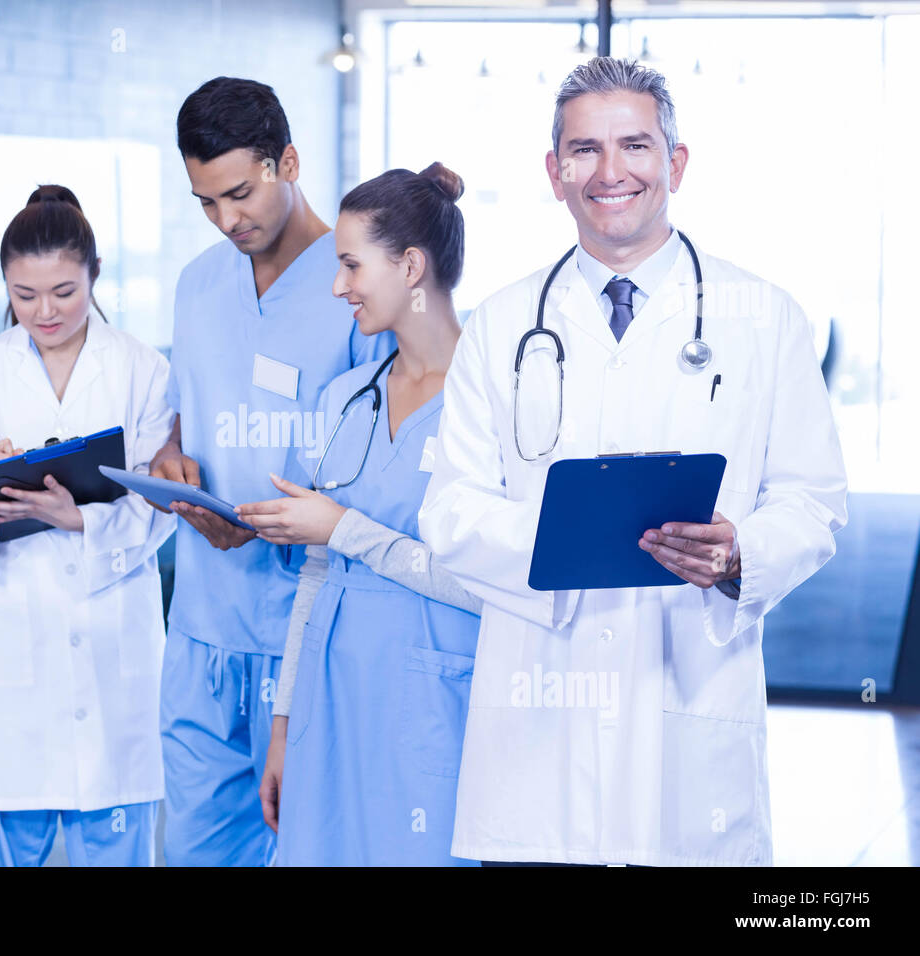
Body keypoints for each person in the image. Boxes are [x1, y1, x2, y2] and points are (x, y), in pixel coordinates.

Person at [418, 57, 848, 866]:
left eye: (636, 146)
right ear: (554, 173)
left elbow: (813, 499)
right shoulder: (501, 323)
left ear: (675, 163)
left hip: (692, 726)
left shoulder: (763, 318)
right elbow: (449, 510)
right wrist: (571, 541)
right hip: (537, 744)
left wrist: (737, 554)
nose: (609, 173)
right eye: (583, 151)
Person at [149, 77, 396, 866]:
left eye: (241, 193)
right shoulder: (196, 285)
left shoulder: (358, 286)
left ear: (288, 161)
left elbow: (384, 473)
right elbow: (190, 408)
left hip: (308, 638)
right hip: (201, 634)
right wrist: (169, 458)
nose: (228, 220)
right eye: (206, 202)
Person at [242, 163, 482, 866]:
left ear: (411, 265)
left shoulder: (490, 403)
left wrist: (343, 529)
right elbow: (313, 579)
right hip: (329, 708)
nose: (339, 285)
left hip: (432, 711)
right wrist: (283, 724)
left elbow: (489, 583)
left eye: (351, 264)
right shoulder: (345, 398)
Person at [0, 186, 175, 867]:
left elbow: (160, 502)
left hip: (114, 648)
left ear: (95, 275)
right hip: (10, 652)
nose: (45, 312)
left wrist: (82, 522)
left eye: (65, 292)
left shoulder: (142, 371)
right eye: (25, 294)